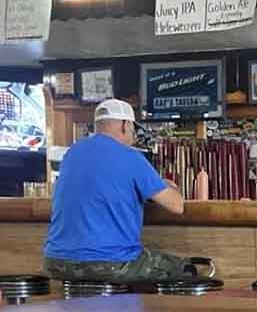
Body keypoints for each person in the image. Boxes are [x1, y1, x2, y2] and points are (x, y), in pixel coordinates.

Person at [44, 98, 193, 283]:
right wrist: (168, 187)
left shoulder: (72, 153)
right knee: (184, 268)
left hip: (56, 262)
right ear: (125, 124)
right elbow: (177, 206)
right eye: (133, 128)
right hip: (111, 263)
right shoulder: (130, 156)